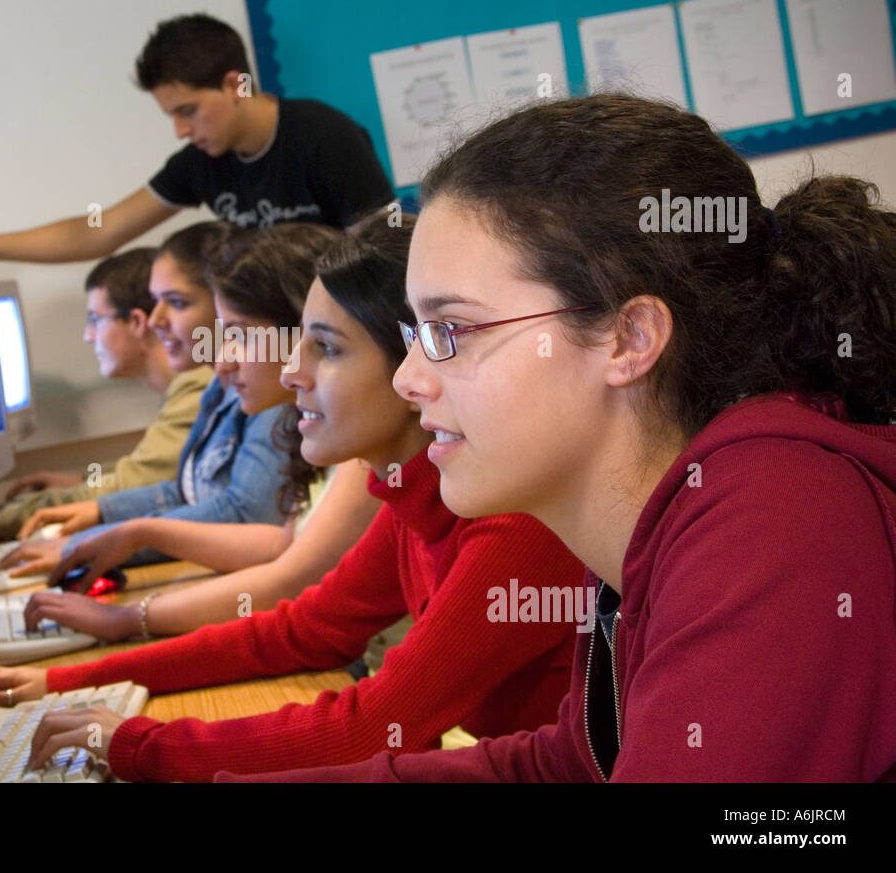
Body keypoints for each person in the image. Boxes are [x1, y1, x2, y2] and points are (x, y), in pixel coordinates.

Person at [223, 93, 896, 782]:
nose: (409, 379)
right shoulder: (644, 522)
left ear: (628, 338)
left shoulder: (776, 523)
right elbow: (571, 762)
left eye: (449, 331)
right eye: (413, 335)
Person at [0, 214, 584, 782]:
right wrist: (65, 682)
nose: (291, 372)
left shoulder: (513, 520)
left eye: (326, 350)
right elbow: (303, 631)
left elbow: (373, 726)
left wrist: (139, 743)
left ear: (414, 367)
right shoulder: (412, 490)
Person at [0, 220, 340, 578]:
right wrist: (106, 516)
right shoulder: (232, 388)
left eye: (176, 302)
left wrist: (127, 567)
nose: (154, 320)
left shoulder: (274, 400)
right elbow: (188, 491)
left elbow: (248, 516)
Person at [0, 14, 393, 264]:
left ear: (235, 86)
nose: (181, 131)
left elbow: (384, 251)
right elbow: (97, 232)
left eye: (188, 111)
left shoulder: (325, 138)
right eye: (171, 115)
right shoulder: (202, 162)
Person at [0, 248, 212, 542]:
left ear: (136, 323)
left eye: (95, 319)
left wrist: (0, 521)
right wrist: (82, 482)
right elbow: (144, 476)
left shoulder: (196, 387)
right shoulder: (185, 386)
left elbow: (130, 488)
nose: (88, 335)